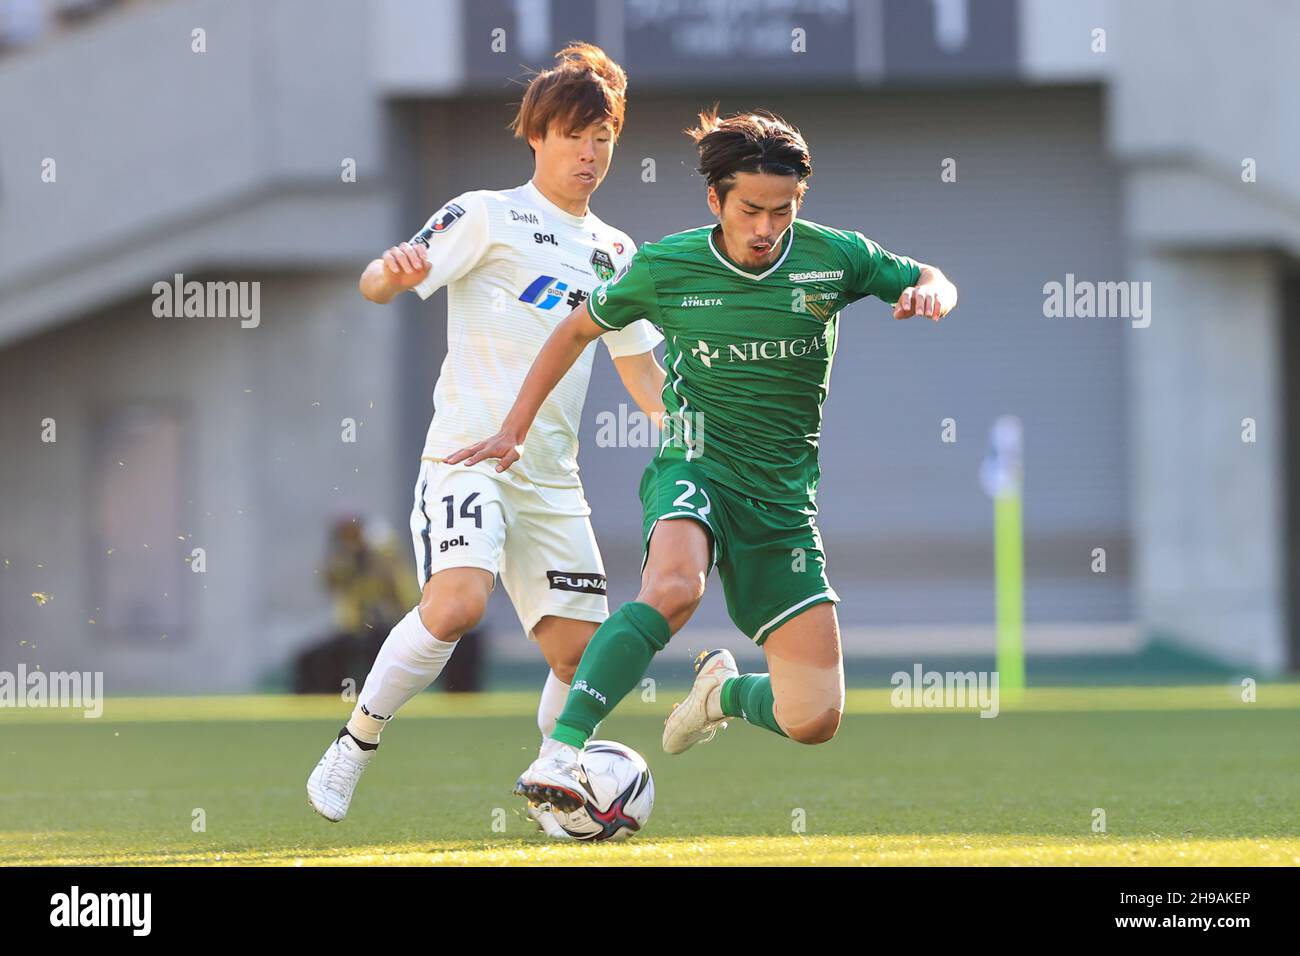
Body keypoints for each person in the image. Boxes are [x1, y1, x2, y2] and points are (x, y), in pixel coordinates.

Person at [447, 107, 958, 812]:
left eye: (782, 211)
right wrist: (513, 428)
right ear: (715, 199)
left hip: (781, 502)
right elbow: (574, 331)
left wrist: (931, 289)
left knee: (813, 718)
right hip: (695, 462)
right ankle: (561, 753)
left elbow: (928, 274)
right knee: (675, 587)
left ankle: (720, 694)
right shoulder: (666, 266)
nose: (765, 228)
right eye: (750, 210)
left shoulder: (833, 257)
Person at [307, 44, 666, 835]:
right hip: (467, 456)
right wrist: (391, 273)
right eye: (575, 134)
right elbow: (376, 281)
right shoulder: (486, 214)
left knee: (582, 661)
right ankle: (354, 742)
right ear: (536, 135)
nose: (590, 152)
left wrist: (691, 437)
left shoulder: (617, 253)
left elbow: (642, 375)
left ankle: (555, 788)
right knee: (458, 603)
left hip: (548, 478)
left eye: (603, 136)